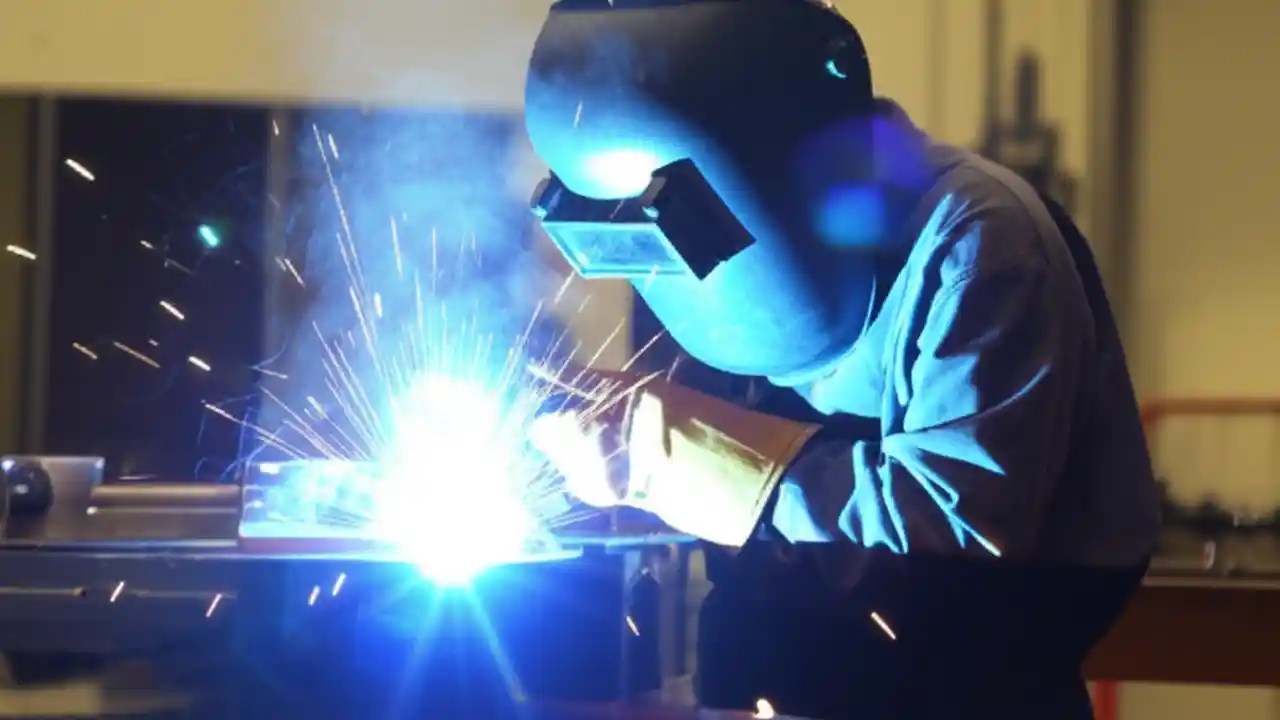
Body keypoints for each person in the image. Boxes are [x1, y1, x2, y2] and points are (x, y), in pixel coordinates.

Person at [522, 1, 1162, 718]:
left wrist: (664, 453)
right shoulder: (679, 226)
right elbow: (714, 496)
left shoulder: (980, 240)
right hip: (762, 684)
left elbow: (953, 537)